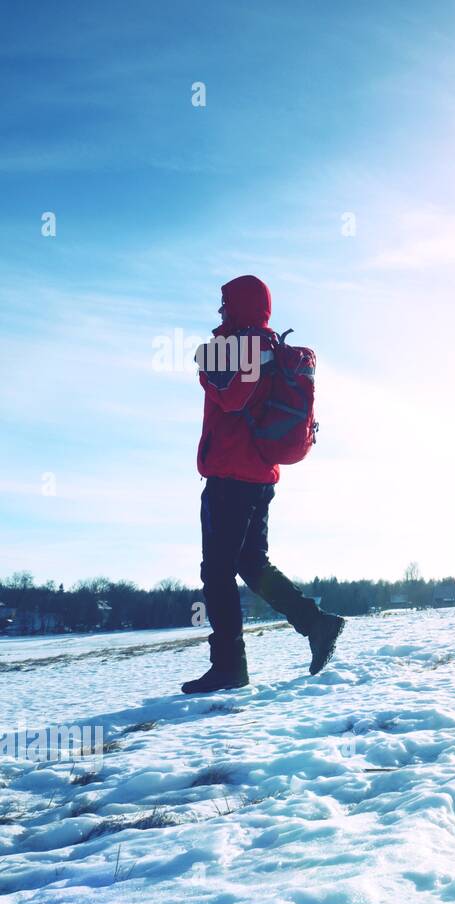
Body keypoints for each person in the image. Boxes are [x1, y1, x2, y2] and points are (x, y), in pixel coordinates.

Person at [182, 275, 345, 694]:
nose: (220, 310)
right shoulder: (268, 346)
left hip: (231, 477)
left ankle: (229, 667)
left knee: (216, 571)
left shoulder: (239, 347)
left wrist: (207, 359)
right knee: (251, 564)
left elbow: (233, 396)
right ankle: (316, 623)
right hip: (258, 476)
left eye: (225, 303)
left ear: (240, 305)